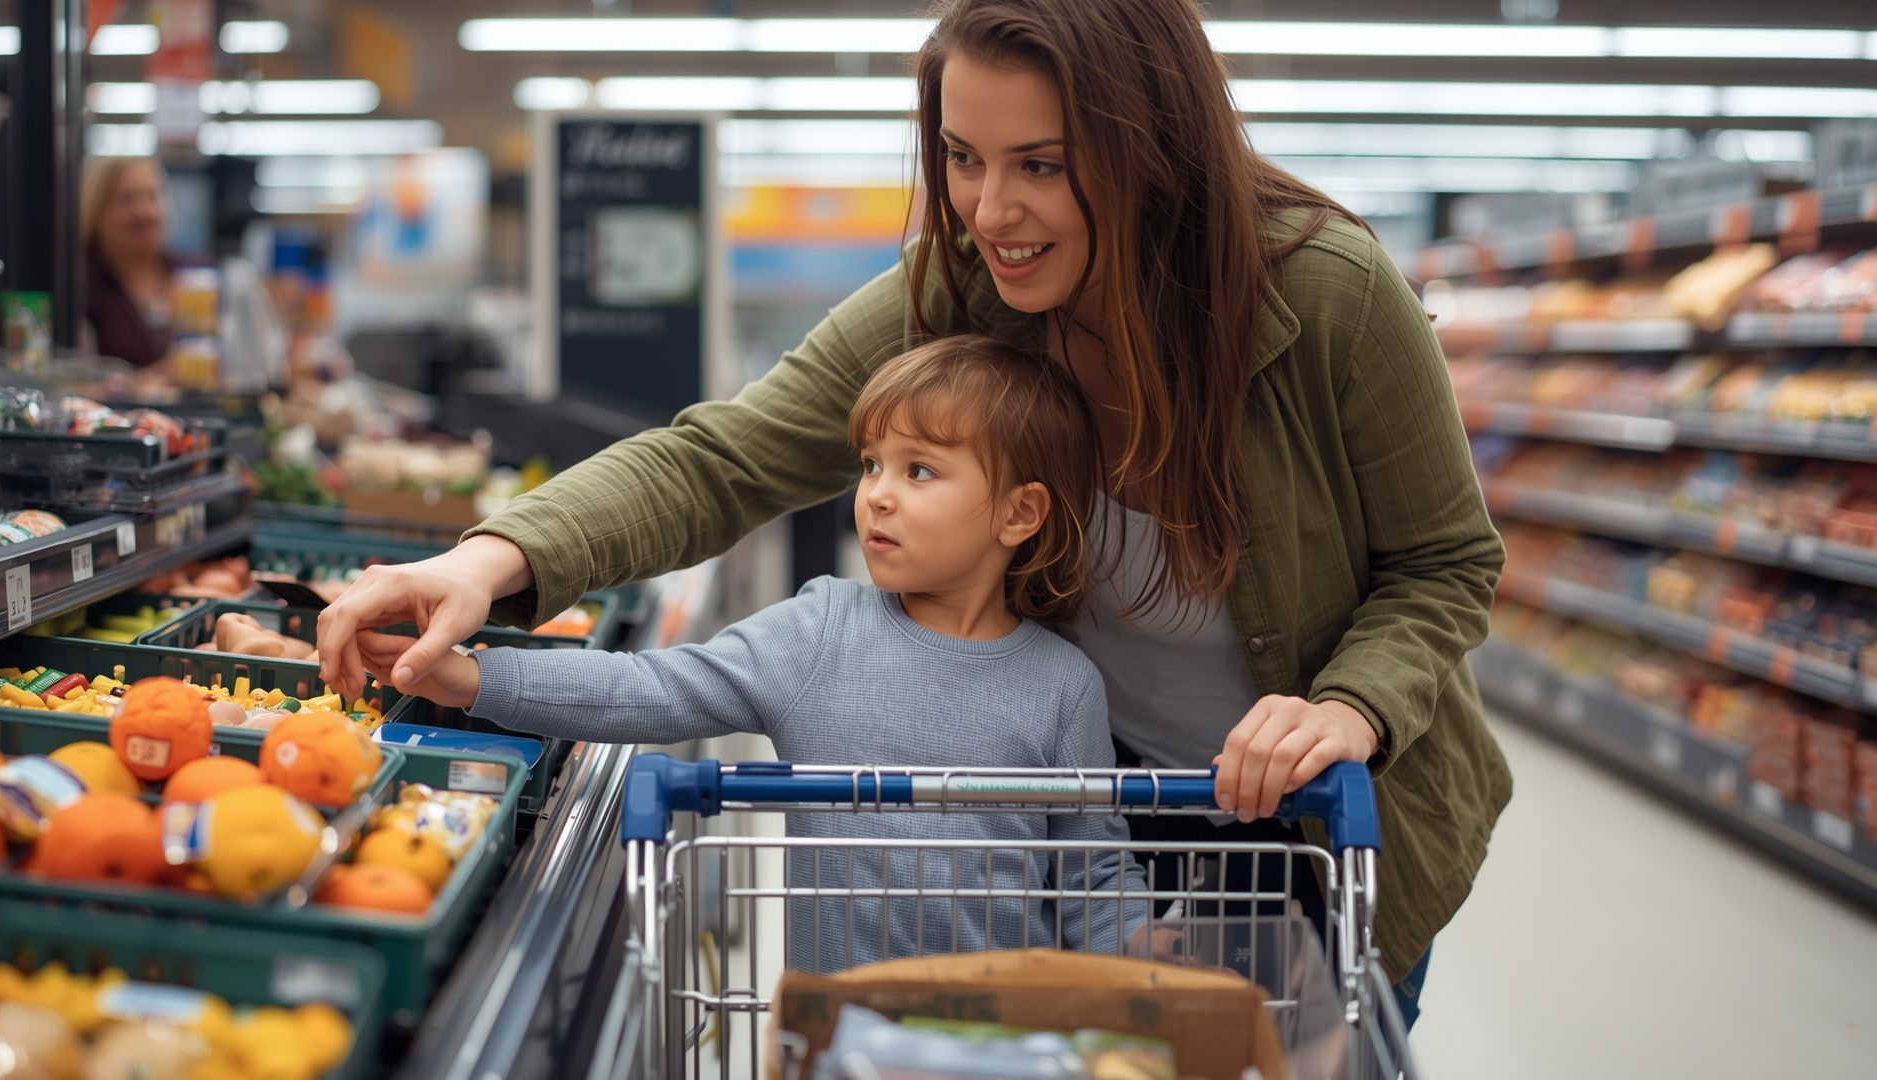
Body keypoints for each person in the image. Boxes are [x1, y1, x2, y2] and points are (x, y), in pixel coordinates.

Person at [320, 0, 1509, 1026]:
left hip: (1329, 824)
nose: (991, 210)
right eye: (962, 156)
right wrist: (489, 560)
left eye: (1042, 165)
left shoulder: (1329, 294)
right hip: (1106, 811)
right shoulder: (957, 291)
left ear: (1152, 151)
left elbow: (1445, 563)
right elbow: (725, 457)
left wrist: (1349, 707)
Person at [354, 336, 1152, 972]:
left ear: (1019, 514)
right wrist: (472, 678)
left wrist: (1144, 954)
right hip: (836, 1043)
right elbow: (652, 689)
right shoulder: (822, 630)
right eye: (871, 464)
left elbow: (1094, 872)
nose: (877, 493)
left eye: (920, 470)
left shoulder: (1064, 684)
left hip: (1007, 1046)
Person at [80, 156, 176, 368]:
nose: (144, 212)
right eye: (127, 200)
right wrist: (147, 381)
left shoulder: (187, 276)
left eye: (152, 196)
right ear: (97, 210)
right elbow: (76, 376)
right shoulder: (82, 288)